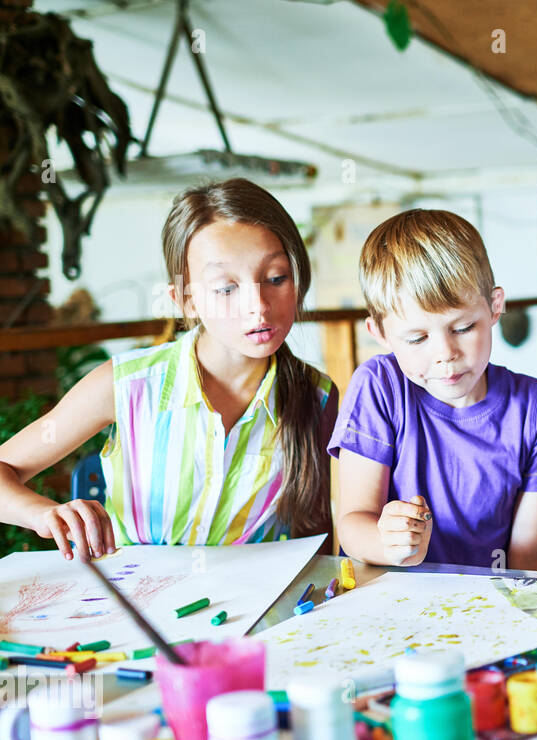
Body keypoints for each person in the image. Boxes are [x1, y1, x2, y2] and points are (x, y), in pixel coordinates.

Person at [0, 178, 337, 557]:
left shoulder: (318, 395)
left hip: (250, 608)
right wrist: (46, 514)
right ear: (185, 300)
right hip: (136, 601)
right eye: (226, 288)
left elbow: (317, 542)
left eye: (276, 278)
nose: (258, 306)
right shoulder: (126, 385)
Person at [330, 209, 537, 570]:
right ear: (380, 334)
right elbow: (352, 523)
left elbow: (531, 553)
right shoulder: (379, 387)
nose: (446, 355)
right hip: (387, 605)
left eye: (464, 327)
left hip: (491, 607)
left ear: (495, 307)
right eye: (417, 337)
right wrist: (387, 542)